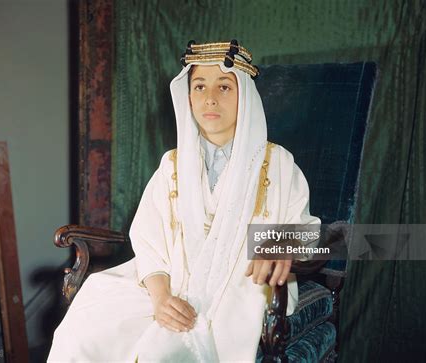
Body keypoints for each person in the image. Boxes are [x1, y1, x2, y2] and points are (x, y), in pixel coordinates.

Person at [48, 40, 319, 362]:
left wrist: (275, 245)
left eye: (224, 87)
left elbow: (309, 232)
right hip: (167, 284)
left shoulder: (278, 163)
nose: (210, 98)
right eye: (199, 86)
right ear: (187, 96)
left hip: (239, 290)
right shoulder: (172, 165)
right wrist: (161, 298)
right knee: (83, 329)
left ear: (245, 96)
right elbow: (149, 239)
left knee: (162, 351)